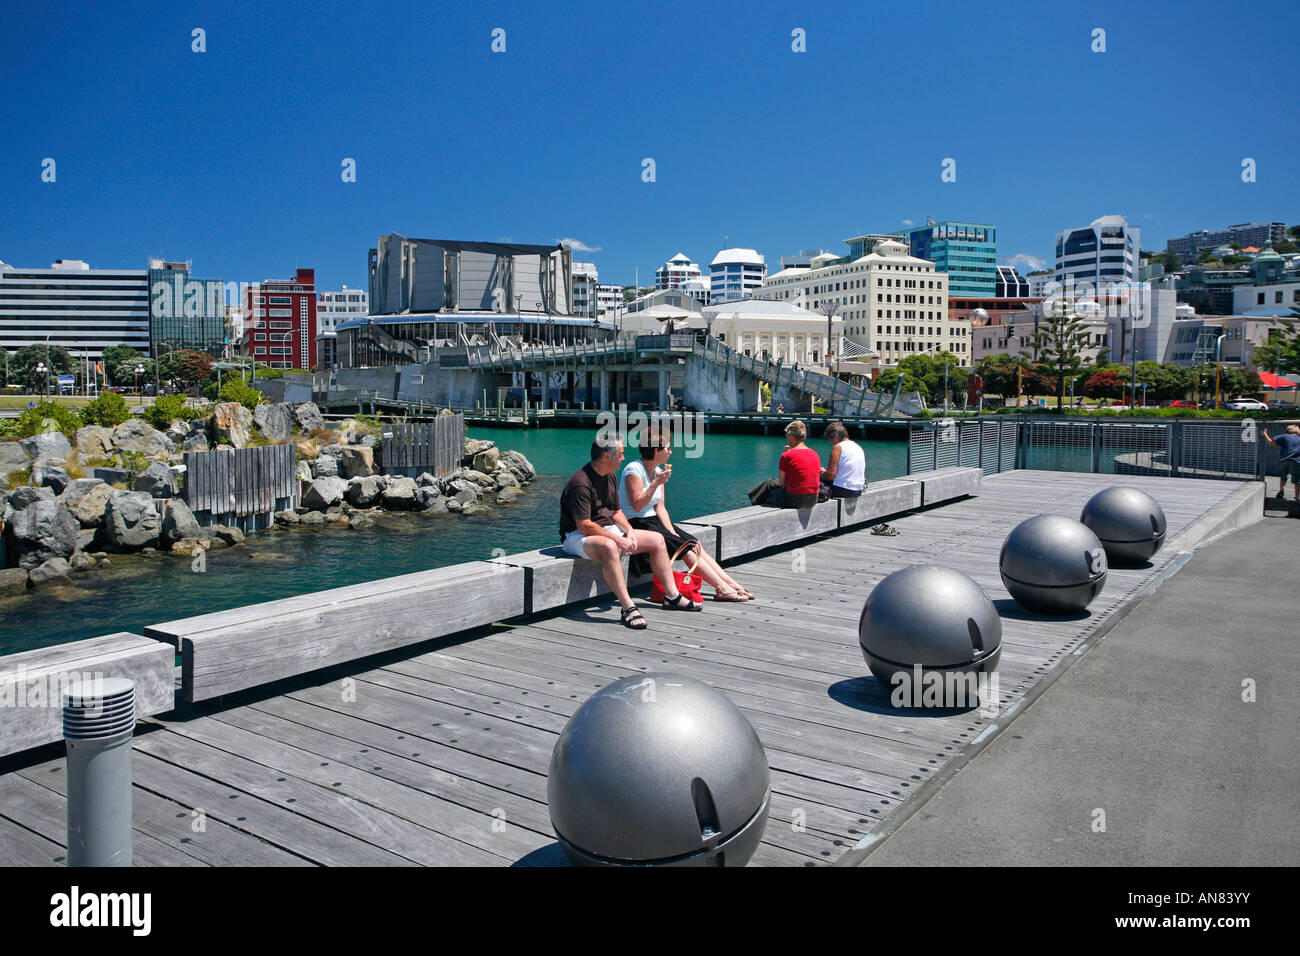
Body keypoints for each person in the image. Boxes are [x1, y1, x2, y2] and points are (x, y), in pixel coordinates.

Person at [559, 434, 702, 630]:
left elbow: (616, 511)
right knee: (610, 546)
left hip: (604, 528)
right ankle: (628, 607)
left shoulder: (608, 476)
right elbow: (584, 525)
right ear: (606, 457)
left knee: (657, 540)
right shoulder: (581, 483)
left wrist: (629, 531)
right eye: (621, 454)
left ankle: (672, 596)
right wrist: (618, 540)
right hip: (576, 536)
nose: (624, 458)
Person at [621, 430, 755, 602]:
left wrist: (670, 530)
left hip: (653, 519)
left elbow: (660, 507)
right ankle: (722, 589)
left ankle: (732, 584)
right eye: (667, 449)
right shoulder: (634, 469)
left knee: (694, 543)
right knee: (684, 549)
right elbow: (637, 504)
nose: (670, 452)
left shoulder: (657, 470)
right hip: (636, 522)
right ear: (656, 451)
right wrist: (656, 483)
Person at [748, 420, 821, 508]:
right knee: (770, 484)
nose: (786, 437)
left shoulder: (787, 455)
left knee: (769, 491)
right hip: (813, 499)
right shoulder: (814, 454)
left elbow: (782, 482)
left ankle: (753, 508)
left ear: (791, 436)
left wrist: (786, 454)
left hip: (796, 500)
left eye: (787, 435)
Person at [820, 421, 866, 499]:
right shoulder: (857, 446)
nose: (830, 442)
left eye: (829, 439)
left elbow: (830, 475)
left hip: (843, 490)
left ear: (835, 437)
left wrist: (821, 473)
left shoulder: (838, 447)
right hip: (858, 490)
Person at [1263, 425, 1300, 500]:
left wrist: (1265, 434)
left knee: (1283, 477)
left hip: (1284, 460)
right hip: (1296, 461)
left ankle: (1281, 491)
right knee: (1297, 480)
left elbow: (1271, 442)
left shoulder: (1284, 436)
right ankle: (1296, 497)